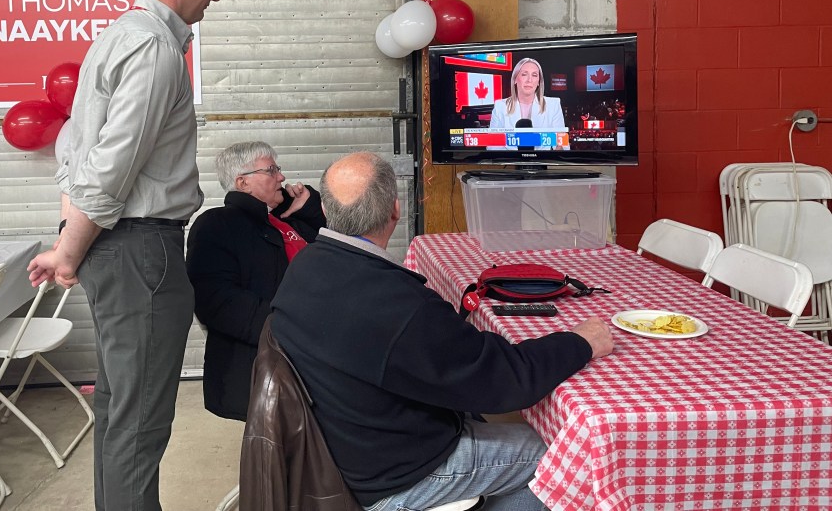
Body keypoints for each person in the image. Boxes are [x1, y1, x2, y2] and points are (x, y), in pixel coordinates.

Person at [27, 0, 236, 511]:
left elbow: (72, 145)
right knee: (139, 422)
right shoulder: (154, 50)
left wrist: (72, 236)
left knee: (122, 412)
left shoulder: (117, 37)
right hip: (141, 251)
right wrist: (69, 249)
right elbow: (112, 165)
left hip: (118, 249)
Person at [270, 152, 613, 511]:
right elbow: (503, 382)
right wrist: (580, 342)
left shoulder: (305, 266)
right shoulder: (399, 305)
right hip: (400, 475)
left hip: (349, 449)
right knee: (569, 456)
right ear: (395, 210)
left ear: (326, 210)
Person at [186, 141, 325, 421]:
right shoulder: (217, 225)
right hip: (269, 361)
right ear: (242, 182)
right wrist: (289, 327)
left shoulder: (287, 219)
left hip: (316, 352)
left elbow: (337, 252)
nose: (282, 177)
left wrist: (308, 209)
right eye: (271, 170)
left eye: (279, 169)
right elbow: (217, 301)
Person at [489, 57, 567, 149]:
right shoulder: (500, 106)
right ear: (515, 79)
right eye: (524, 74)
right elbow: (492, 146)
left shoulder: (553, 105)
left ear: (538, 82)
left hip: (543, 161)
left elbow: (562, 144)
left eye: (534, 75)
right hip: (510, 161)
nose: (529, 80)